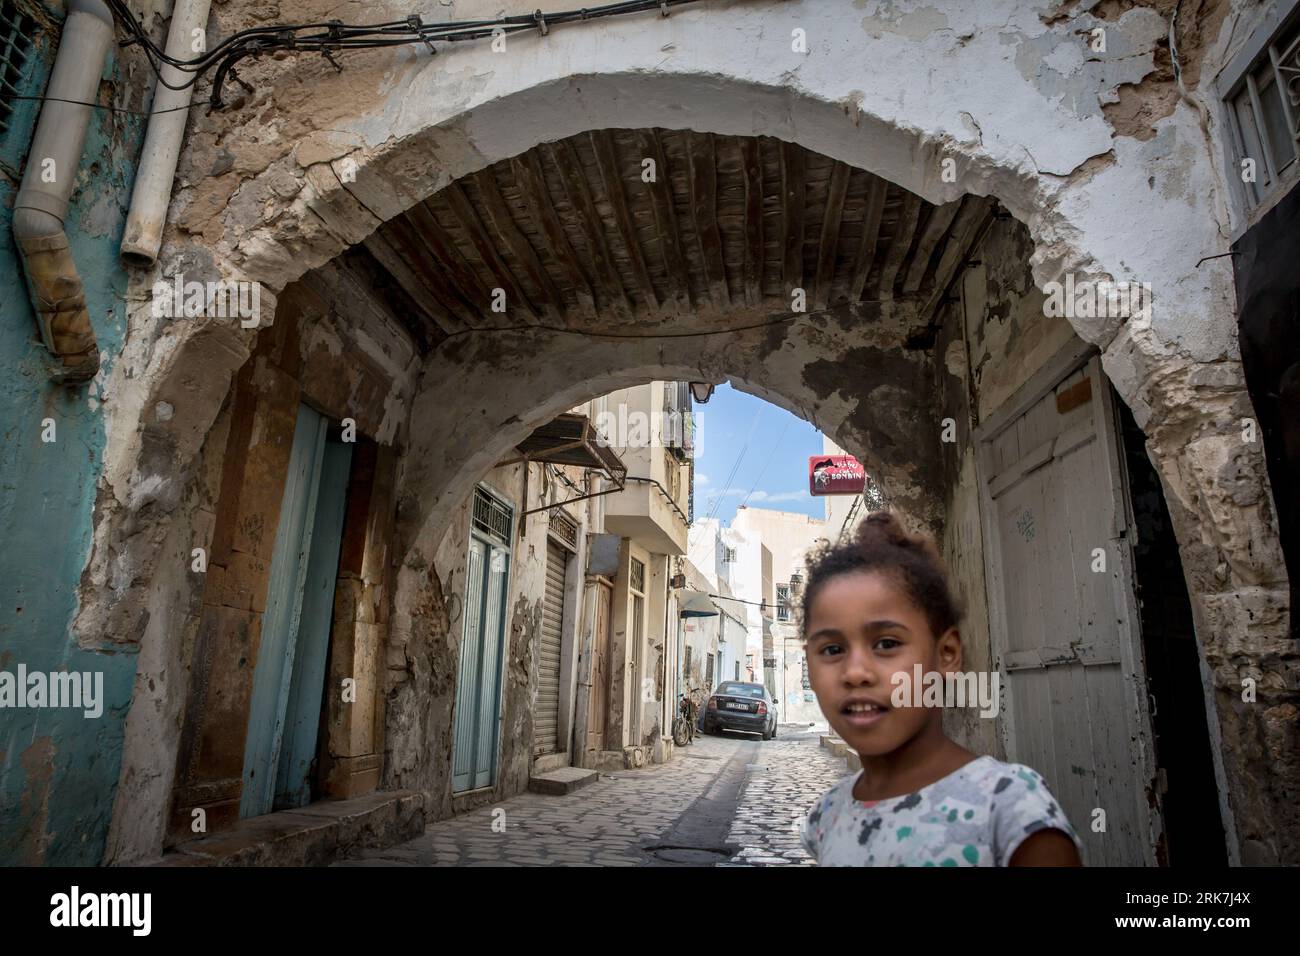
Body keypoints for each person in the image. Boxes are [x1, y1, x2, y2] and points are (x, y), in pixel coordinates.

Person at [798, 511, 1082, 867]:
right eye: (833, 650)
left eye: (886, 644)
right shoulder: (826, 816)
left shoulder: (1009, 809)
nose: (855, 673)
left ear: (946, 654)